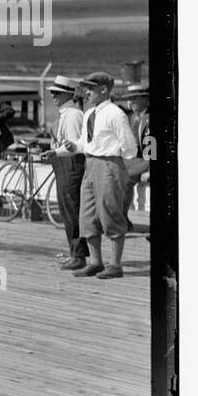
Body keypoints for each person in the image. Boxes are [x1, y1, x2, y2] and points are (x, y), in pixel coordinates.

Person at [64, 71, 136, 279]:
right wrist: (74, 146)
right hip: (90, 163)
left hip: (108, 165)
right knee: (87, 215)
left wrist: (111, 157)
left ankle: (115, 265)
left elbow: (129, 148)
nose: (86, 92)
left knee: (110, 213)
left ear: (103, 90)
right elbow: (86, 142)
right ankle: (96, 262)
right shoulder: (89, 113)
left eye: (90, 88)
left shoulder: (115, 114)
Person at [42, 75, 90, 270]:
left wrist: (55, 151)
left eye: (57, 93)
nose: (53, 95)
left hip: (71, 165)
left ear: (68, 94)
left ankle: (79, 255)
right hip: (62, 165)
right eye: (52, 92)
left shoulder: (74, 115)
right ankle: (75, 252)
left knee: (72, 210)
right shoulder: (65, 114)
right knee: (67, 210)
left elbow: (74, 146)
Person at [124, 83, 151, 204]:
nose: (131, 102)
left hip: (146, 160)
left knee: (125, 178)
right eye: (130, 99)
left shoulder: (149, 118)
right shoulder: (134, 117)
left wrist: (149, 171)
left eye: (135, 98)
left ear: (145, 99)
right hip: (134, 158)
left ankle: (122, 217)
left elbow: (152, 150)